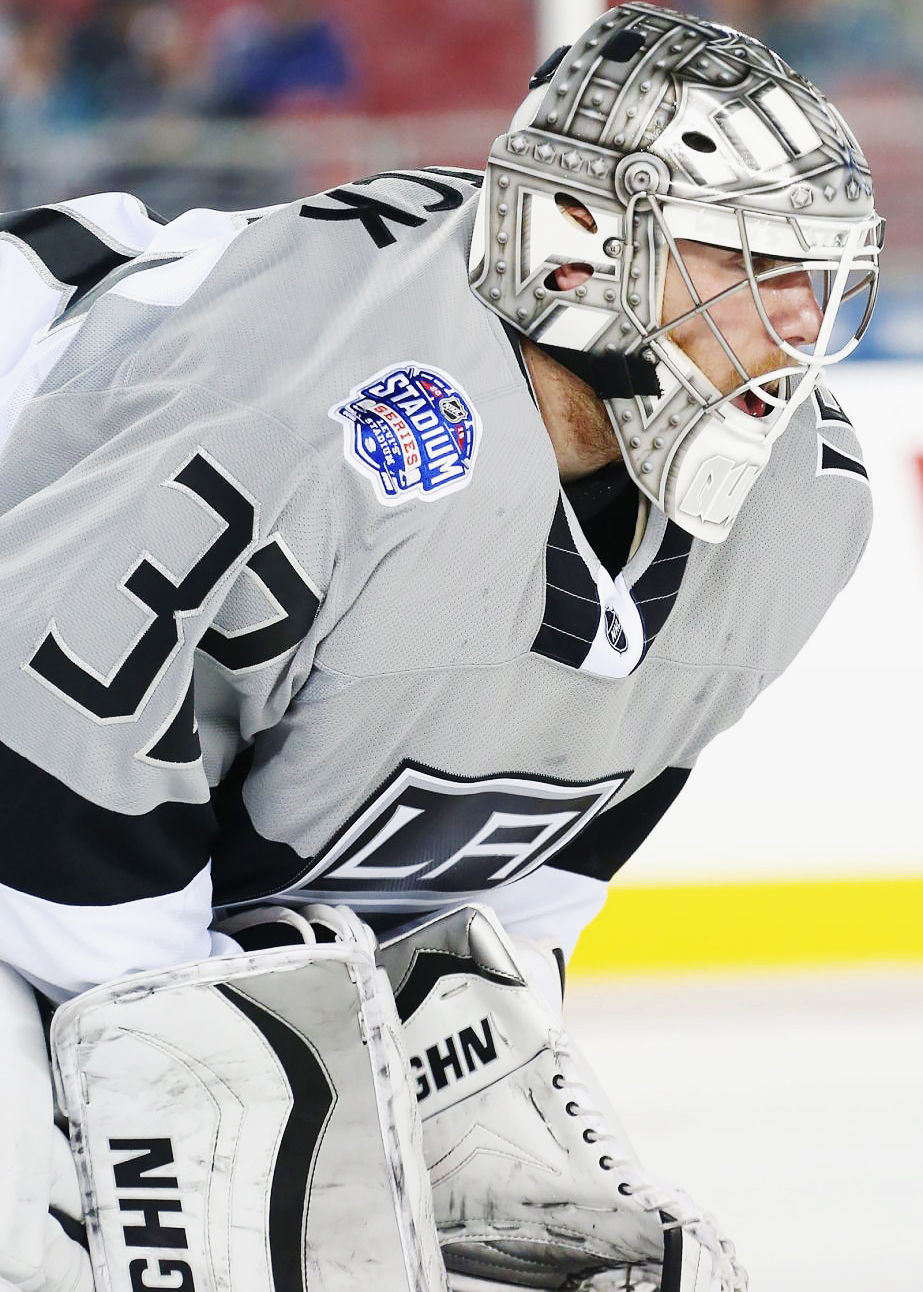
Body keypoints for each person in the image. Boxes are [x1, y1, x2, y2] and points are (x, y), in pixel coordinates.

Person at [0, 5, 883, 1292]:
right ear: (579, 256)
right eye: (747, 264)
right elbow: (46, 762)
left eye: (821, 273)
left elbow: (529, 850)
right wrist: (181, 1074)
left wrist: (448, 1034)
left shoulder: (808, 502)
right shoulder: (305, 406)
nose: (799, 326)